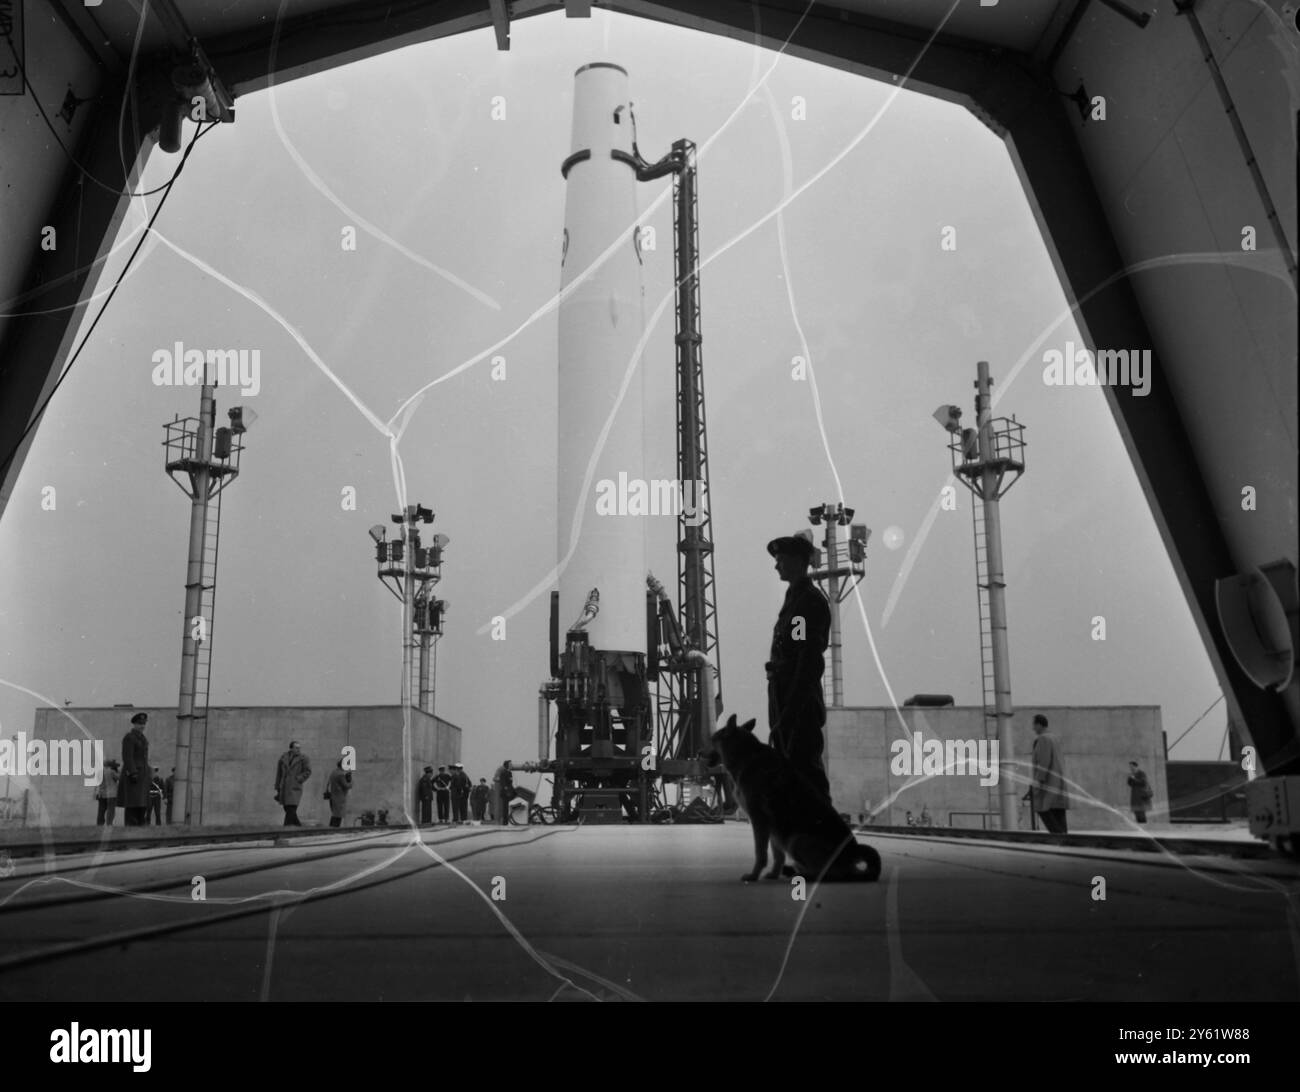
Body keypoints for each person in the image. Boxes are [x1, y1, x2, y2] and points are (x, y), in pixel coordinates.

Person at [765, 534, 833, 804]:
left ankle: (824, 825)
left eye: (781, 560)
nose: (776, 566)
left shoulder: (807, 602)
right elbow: (797, 648)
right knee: (791, 770)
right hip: (785, 697)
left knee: (806, 769)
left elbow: (807, 658)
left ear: (797, 561)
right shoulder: (795, 600)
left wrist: (791, 708)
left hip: (797, 701)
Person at [1030, 714, 1069, 834]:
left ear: (1039, 725)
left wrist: (1038, 781)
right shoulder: (1054, 738)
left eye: (1034, 725)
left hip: (1048, 783)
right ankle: (1064, 837)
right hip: (1058, 782)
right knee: (1058, 811)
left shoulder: (1043, 739)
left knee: (1043, 808)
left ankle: (1057, 836)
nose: (1033, 728)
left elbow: (1044, 761)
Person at [117, 712, 151, 826]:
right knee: (133, 802)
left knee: (142, 802)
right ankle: (131, 825)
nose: (142, 726)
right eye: (140, 724)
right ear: (134, 724)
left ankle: (140, 824)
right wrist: (132, 772)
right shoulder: (129, 737)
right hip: (134, 775)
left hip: (143, 775)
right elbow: (127, 757)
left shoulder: (142, 738)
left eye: (144, 724)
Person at [274, 740, 311, 826]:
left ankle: (286, 828)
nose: (299, 749)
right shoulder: (283, 758)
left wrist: (298, 779)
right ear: (291, 748)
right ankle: (298, 827)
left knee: (291, 808)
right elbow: (279, 773)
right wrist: (277, 786)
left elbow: (308, 771)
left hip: (295, 787)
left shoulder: (303, 758)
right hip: (284, 787)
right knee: (287, 808)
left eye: (299, 748)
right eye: (296, 748)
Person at [326, 760, 352, 828]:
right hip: (339, 797)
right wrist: (351, 782)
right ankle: (334, 830)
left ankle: (331, 829)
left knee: (335, 815)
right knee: (338, 816)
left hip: (333, 795)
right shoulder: (340, 774)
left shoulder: (334, 772)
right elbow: (346, 785)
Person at [95, 759, 120, 826]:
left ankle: (99, 824)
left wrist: (96, 793)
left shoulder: (99, 772)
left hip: (102, 794)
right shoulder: (112, 772)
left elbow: (97, 784)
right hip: (111, 795)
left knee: (101, 811)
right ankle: (109, 824)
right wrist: (118, 771)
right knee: (111, 811)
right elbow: (119, 778)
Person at [494, 760, 514, 825]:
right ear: (507, 765)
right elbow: (503, 784)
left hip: (509, 792)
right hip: (506, 793)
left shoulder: (510, 773)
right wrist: (507, 791)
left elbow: (510, 783)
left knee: (508, 807)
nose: (512, 765)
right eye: (510, 764)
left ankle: (508, 820)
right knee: (505, 807)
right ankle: (505, 821)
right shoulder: (503, 773)